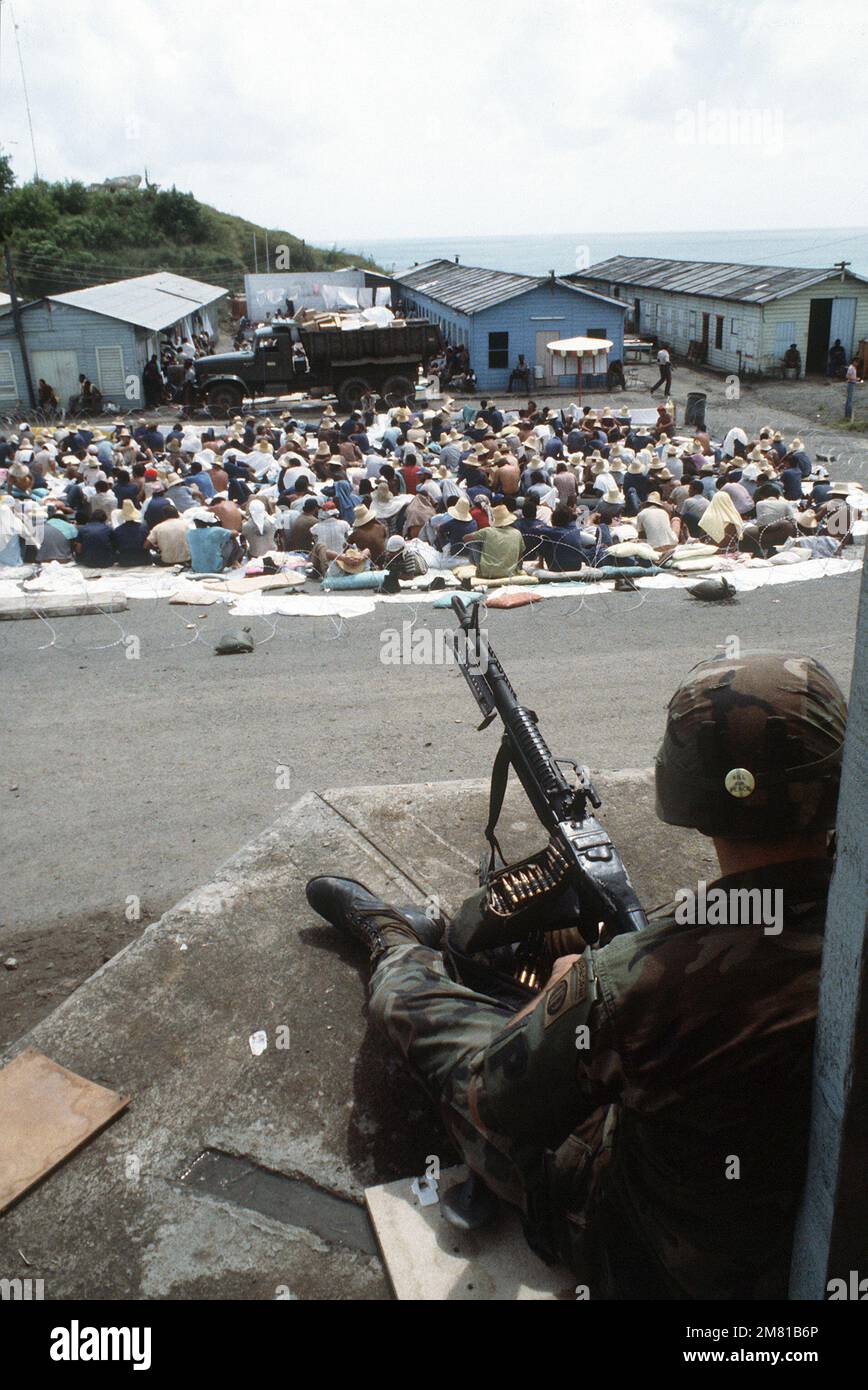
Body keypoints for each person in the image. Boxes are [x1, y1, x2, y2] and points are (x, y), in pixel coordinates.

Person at [306, 651, 847, 1299]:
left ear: (687, 790)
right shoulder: (849, 921)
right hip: (788, 1229)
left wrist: (575, 992)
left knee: (443, 1028)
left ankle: (392, 945)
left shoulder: (642, 980)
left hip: (644, 1254)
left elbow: (497, 1104)